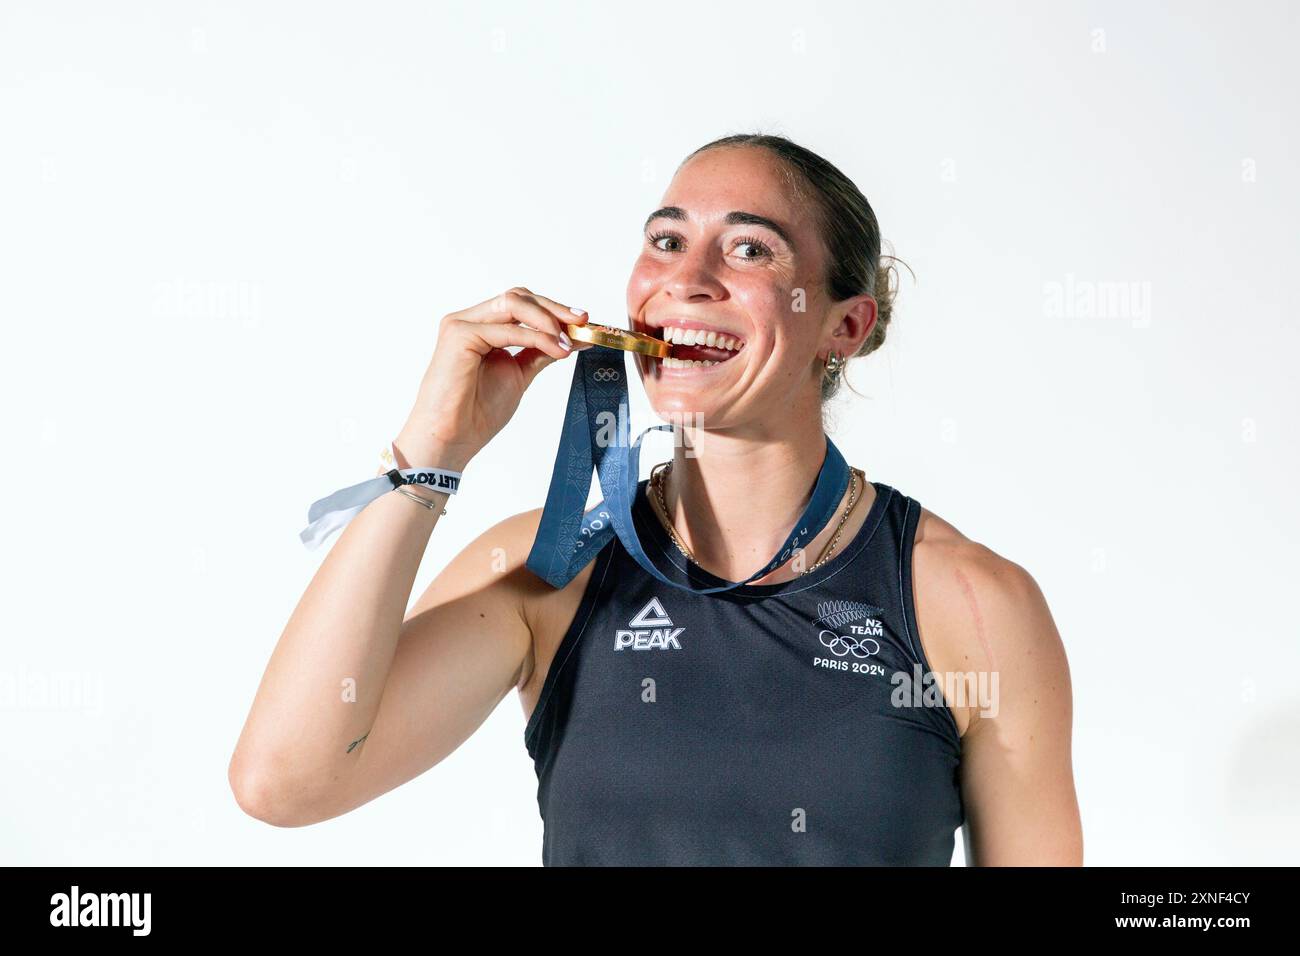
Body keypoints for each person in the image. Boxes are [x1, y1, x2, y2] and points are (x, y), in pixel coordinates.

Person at [228, 133, 1083, 866]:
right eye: (666, 241)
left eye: (751, 249)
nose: (690, 278)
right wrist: (433, 451)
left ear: (844, 326)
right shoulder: (548, 570)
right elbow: (285, 782)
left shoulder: (967, 603)